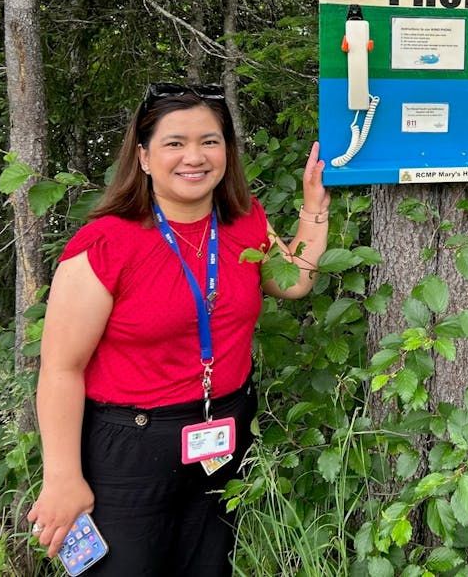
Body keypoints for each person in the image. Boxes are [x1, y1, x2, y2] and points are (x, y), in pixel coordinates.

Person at [26, 82, 332, 576]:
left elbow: (292, 280)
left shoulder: (244, 221)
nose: (195, 156)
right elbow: (62, 368)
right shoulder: (105, 244)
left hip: (221, 437)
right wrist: (63, 476)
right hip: (129, 452)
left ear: (227, 152)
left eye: (210, 141)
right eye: (175, 143)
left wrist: (313, 206)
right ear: (144, 157)